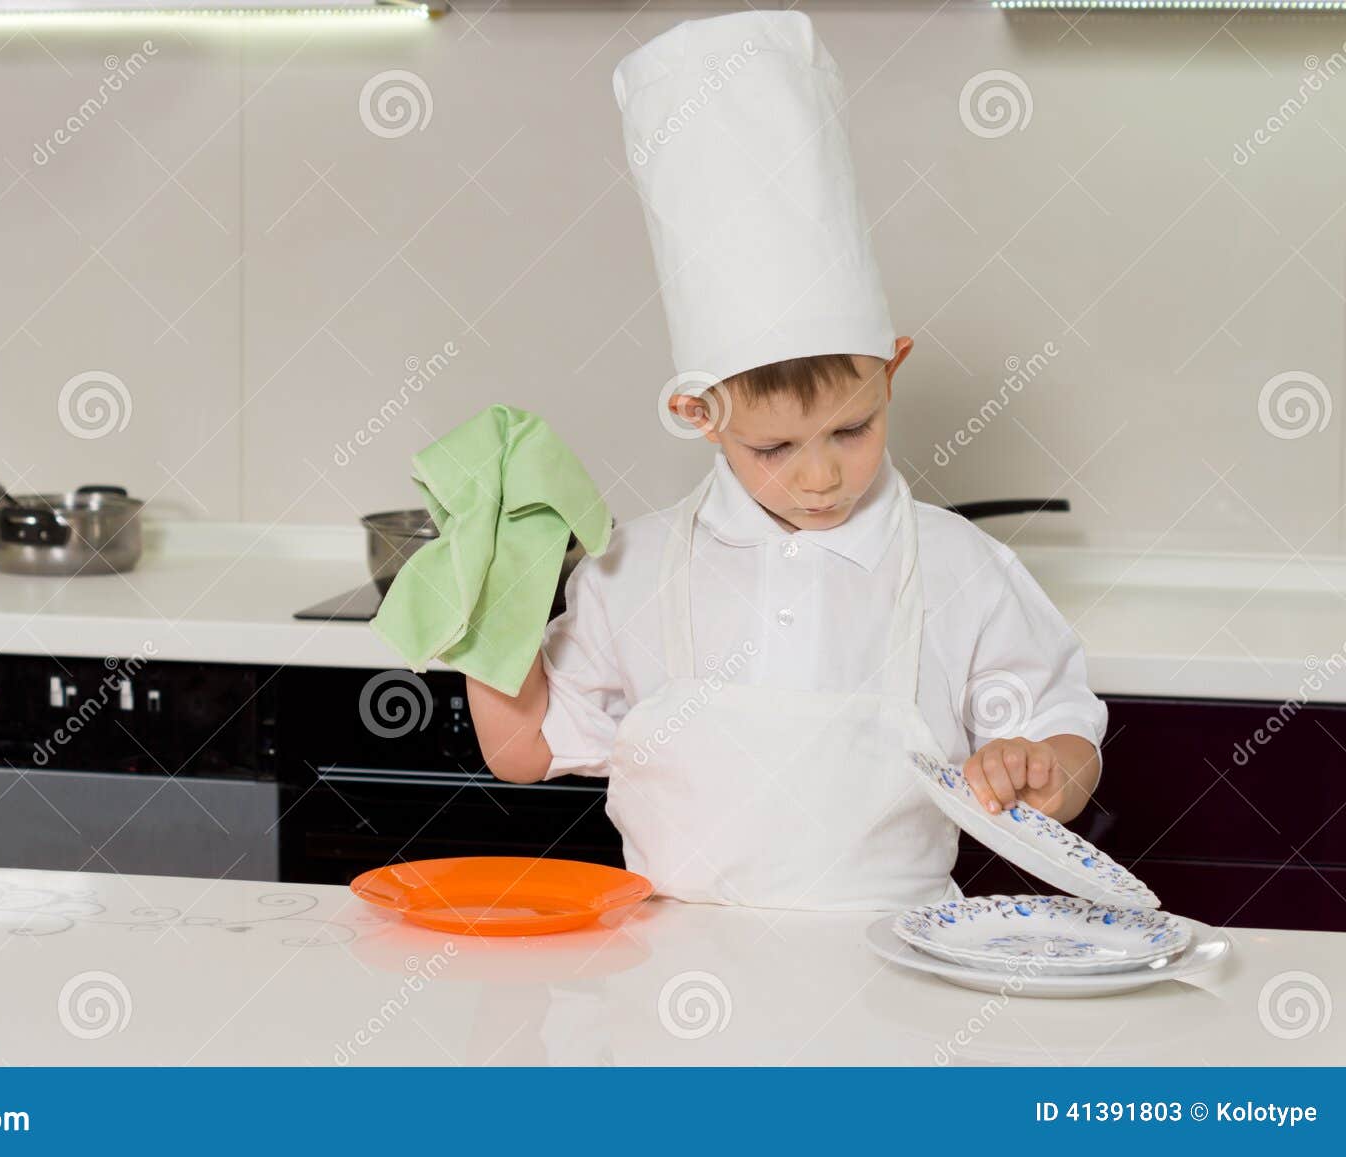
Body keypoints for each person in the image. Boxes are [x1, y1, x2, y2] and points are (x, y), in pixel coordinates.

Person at [465, 10, 1105, 911]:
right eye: (773, 447)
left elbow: (1063, 746)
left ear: (893, 370)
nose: (821, 476)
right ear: (698, 414)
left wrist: (1041, 768)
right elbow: (524, 750)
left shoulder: (962, 569)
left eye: (852, 429)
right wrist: (488, 614)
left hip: (892, 991)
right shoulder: (631, 568)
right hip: (666, 997)